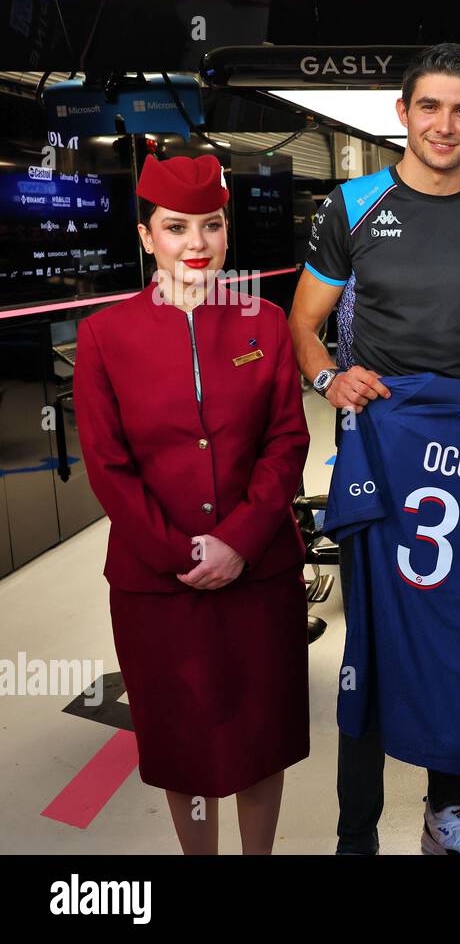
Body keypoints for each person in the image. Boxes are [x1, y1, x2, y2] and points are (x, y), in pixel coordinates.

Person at [288, 42, 460, 856]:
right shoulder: (353, 206)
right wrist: (331, 378)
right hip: (378, 453)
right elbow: (304, 323)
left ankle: (446, 810)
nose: (445, 124)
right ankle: (356, 832)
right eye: (429, 107)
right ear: (402, 114)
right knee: (370, 643)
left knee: (455, 630)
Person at [74, 153, 311, 854]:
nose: (198, 244)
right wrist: (182, 552)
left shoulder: (263, 323)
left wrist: (238, 538)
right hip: (158, 583)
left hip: (259, 571)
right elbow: (108, 467)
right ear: (147, 237)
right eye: (176, 228)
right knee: (185, 743)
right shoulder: (105, 337)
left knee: (260, 737)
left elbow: (286, 441)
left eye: (212, 225)